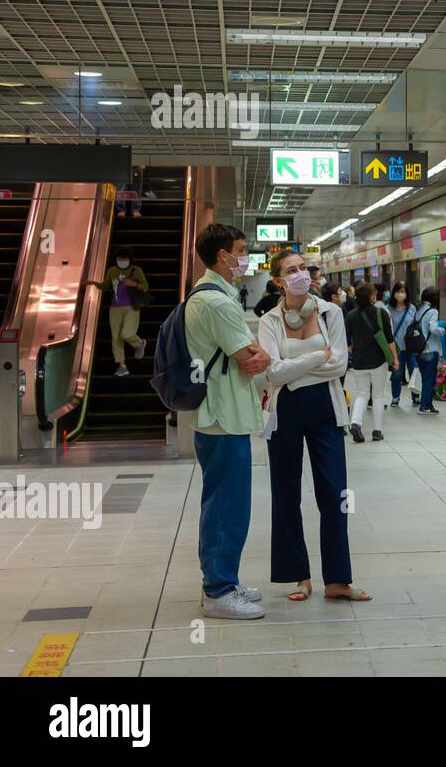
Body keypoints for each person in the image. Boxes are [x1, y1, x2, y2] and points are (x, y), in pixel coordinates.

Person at [257, 250, 370, 604]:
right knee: (286, 493)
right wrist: (315, 358)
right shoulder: (269, 321)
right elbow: (272, 372)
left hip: (325, 409)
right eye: (292, 270)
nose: (302, 274)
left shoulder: (331, 312)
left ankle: (337, 579)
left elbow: (338, 366)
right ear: (278, 280)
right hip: (285, 410)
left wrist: (296, 364)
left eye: (304, 268)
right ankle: (299, 576)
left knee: (335, 494)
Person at [187, 223, 272, 619]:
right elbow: (251, 357)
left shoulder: (211, 295)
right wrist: (261, 355)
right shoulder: (218, 303)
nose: (245, 257)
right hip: (224, 416)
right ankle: (218, 591)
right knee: (227, 505)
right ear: (223, 255)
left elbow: (253, 353)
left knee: (223, 500)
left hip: (221, 414)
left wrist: (258, 354)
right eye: (241, 250)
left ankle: (225, 579)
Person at [344, 283, 396, 443]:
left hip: (359, 362)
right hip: (378, 361)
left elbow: (347, 342)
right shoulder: (381, 313)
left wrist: (355, 351)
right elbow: (389, 340)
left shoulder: (351, 315)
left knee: (362, 394)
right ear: (372, 296)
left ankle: (356, 423)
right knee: (378, 395)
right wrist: (395, 359)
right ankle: (377, 431)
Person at [86, 246, 149, 377]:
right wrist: (94, 283)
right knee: (116, 337)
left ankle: (139, 343)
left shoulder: (136, 271)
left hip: (131, 307)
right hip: (114, 308)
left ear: (130, 259)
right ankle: (122, 366)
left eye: (124, 259)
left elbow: (145, 287)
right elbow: (107, 286)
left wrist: (134, 284)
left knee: (126, 334)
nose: (122, 261)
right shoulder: (112, 271)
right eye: (119, 259)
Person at [413, 287, 444, 415]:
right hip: (430, 349)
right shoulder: (433, 311)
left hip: (419, 349)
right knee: (429, 379)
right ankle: (425, 406)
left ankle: (428, 404)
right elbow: (433, 328)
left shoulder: (418, 310)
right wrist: (441, 330)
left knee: (425, 377)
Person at [387, 281, 418, 409]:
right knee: (397, 374)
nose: (401, 294)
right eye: (398, 291)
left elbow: (416, 326)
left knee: (414, 371)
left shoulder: (412, 308)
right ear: (394, 293)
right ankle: (395, 397)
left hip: (410, 347)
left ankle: (416, 396)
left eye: (403, 291)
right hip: (397, 348)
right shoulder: (388, 309)